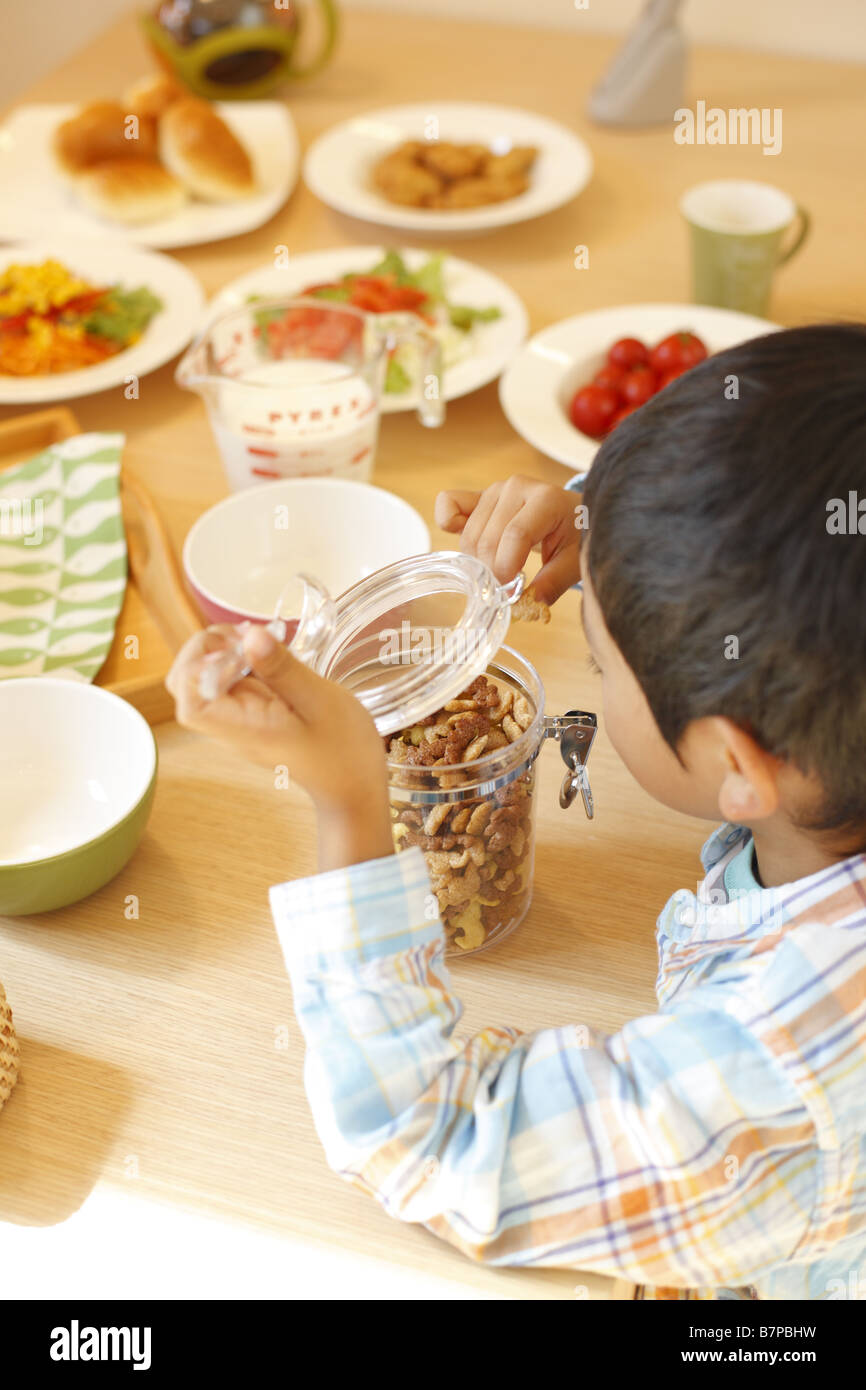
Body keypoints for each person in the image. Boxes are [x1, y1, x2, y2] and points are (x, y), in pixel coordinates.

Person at [167, 324, 866, 1299]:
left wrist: (348, 797)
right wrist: (616, 533)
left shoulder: (770, 1076)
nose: (582, 619)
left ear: (734, 763)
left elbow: (424, 1135)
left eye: (596, 638)